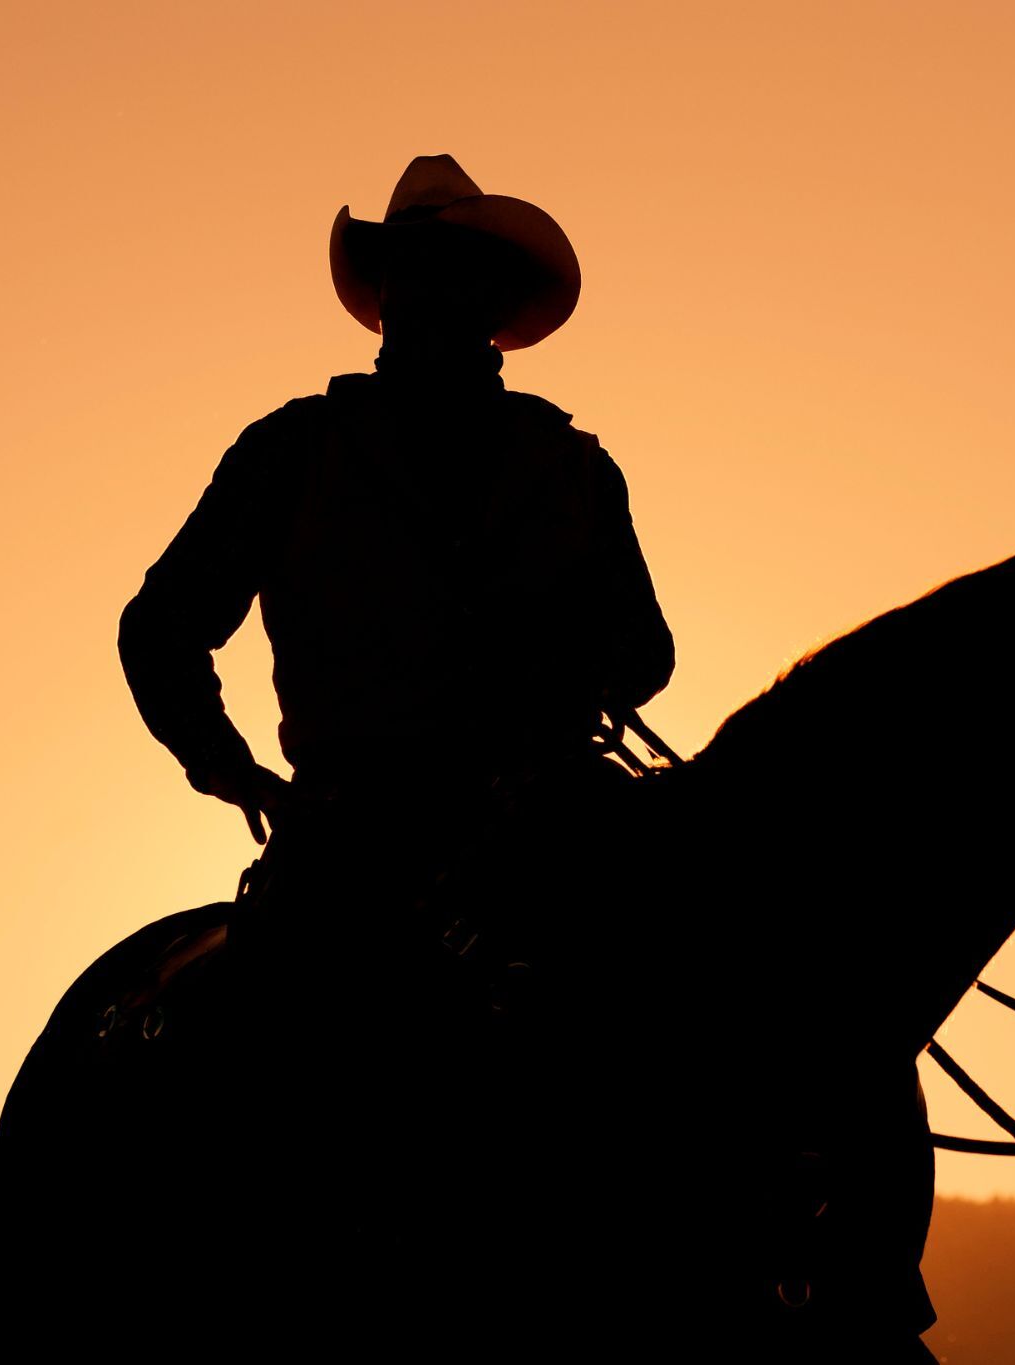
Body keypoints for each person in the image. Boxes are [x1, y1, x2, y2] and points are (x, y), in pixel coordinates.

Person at [113, 153, 675, 1353]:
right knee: (260, 1074)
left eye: (459, 278)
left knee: (720, 991)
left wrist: (566, 692)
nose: (436, 301)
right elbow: (161, 628)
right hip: (354, 828)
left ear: (494, 308)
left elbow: (645, 649)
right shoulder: (289, 452)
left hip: (549, 812)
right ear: (386, 295)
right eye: (418, 275)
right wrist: (230, 770)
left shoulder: (573, 466)